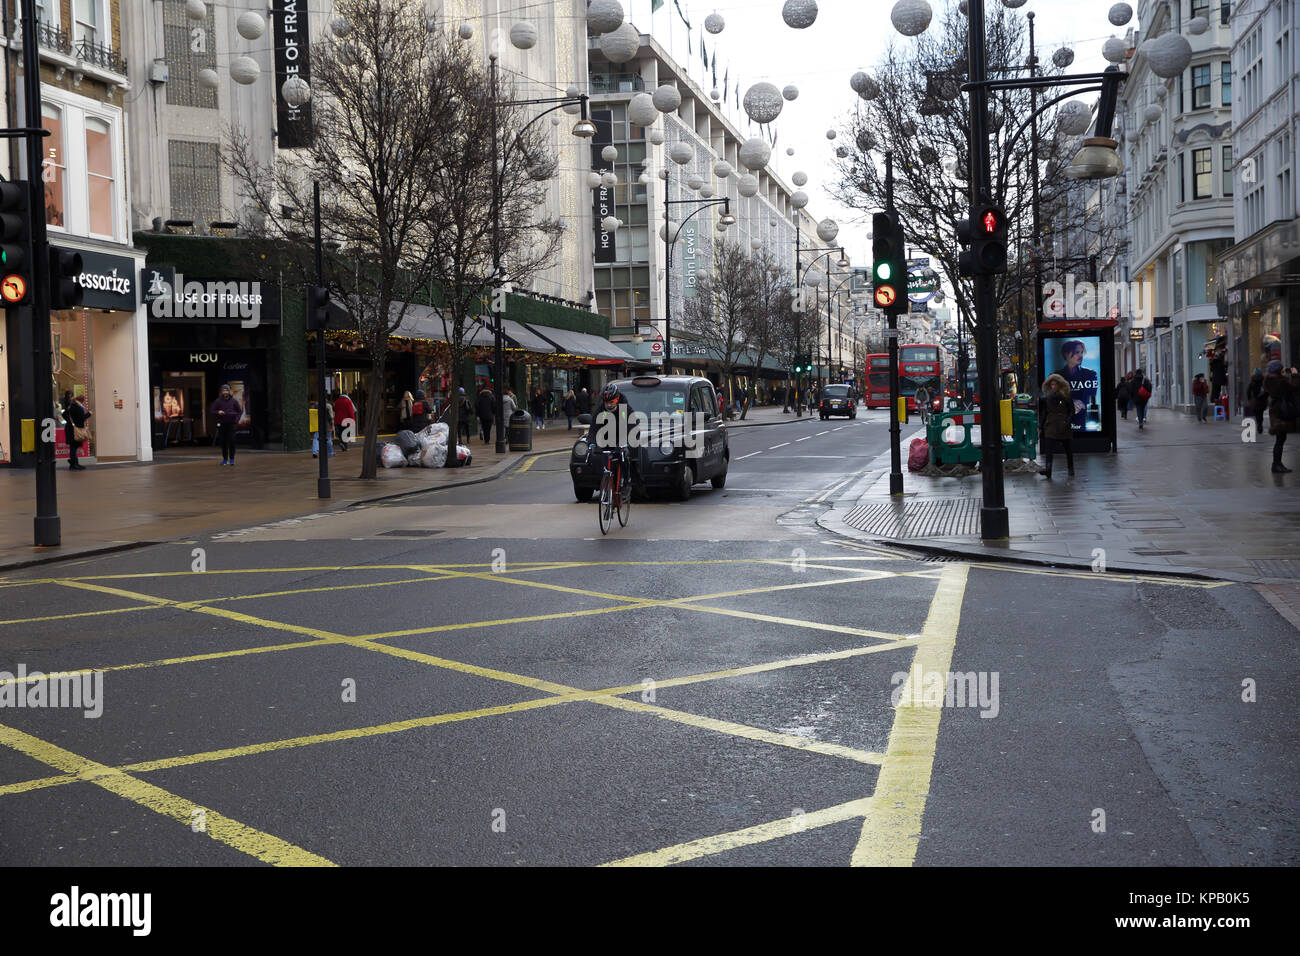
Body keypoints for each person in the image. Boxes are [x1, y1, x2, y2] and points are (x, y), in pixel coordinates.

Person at [1053, 339, 1098, 430]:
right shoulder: (1056, 376)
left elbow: (1091, 395)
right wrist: (1071, 402)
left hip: (1084, 419)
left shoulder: (1090, 374)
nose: (1080, 355)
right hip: (1062, 420)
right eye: (1077, 352)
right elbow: (1053, 398)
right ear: (1066, 354)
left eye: (1082, 352)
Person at [1264, 360, 1299, 473]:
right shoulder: (1280, 381)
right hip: (1280, 412)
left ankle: (1277, 464)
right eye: (1282, 369)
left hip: (1276, 411)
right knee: (1280, 439)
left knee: (1280, 439)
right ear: (1278, 370)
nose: (1284, 371)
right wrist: (1295, 375)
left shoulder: (1269, 380)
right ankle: (1276, 464)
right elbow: (1294, 387)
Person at [1038, 374, 1074, 480]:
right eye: (1052, 384)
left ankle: (1071, 468)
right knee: (1048, 449)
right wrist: (1040, 425)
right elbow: (1044, 412)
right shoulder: (1047, 398)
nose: (1053, 386)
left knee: (1068, 449)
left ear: (1060, 385)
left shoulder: (1066, 396)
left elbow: (1071, 410)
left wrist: (1068, 421)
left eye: (1055, 384)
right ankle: (1048, 470)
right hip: (1051, 424)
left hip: (1063, 424)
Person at [210, 383, 243, 465]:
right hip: (222, 424)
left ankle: (232, 459)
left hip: (231, 424)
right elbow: (212, 411)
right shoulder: (217, 401)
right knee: (223, 442)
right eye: (223, 390)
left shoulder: (234, 401)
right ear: (221, 392)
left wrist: (236, 420)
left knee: (232, 440)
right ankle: (225, 459)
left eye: (226, 390)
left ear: (229, 391)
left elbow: (239, 411)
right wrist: (218, 412)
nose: (225, 392)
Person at [62, 391, 90, 471]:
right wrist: (89, 414)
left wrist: (69, 422)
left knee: (73, 446)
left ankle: (73, 462)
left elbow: (64, 414)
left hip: (70, 429)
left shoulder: (71, 406)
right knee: (74, 447)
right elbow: (81, 418)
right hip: (74, 430)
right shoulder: (77, 407)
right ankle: (74, 464)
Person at [1246, 368, 1267, 432]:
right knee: (1261, 414)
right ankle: (1260, 424)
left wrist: (1249, 399)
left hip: (1255, 401)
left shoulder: (1252, 381)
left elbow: (1248, 391)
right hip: (1262, 400)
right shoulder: (1264, 381)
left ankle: (1259, 425)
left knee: (1257, 414)